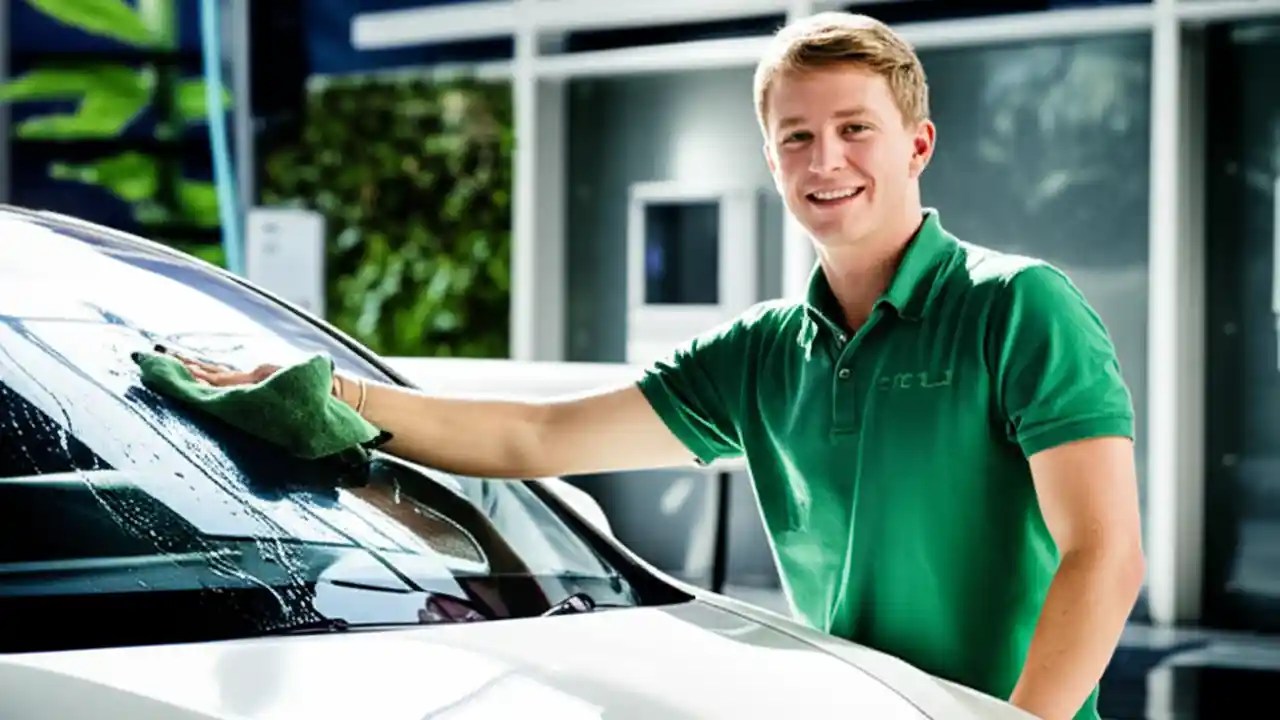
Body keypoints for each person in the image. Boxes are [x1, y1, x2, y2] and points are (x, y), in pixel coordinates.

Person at [175, 11, 1144, 720]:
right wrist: (325, 395)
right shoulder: (763, 350)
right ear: (770, 164)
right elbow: (538, 435)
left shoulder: (1015, 306)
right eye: (796, 137)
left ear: (915, 144)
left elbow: (1103, 552)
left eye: (855, 129)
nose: (825, 159)